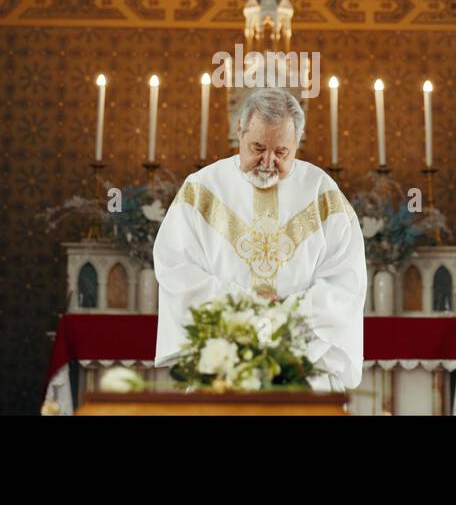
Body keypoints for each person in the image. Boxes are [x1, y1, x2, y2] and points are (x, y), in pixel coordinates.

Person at [153, 87, 366, 391]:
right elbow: (176, 269)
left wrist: (287, 316)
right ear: (239, 132)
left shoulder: (323, 193)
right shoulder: (200, 190)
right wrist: (244, 308)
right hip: (222, 367)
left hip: (301, 367)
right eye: (257, 148)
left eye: (281, 152)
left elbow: (346, 281)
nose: (267, 162)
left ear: (297, 143)